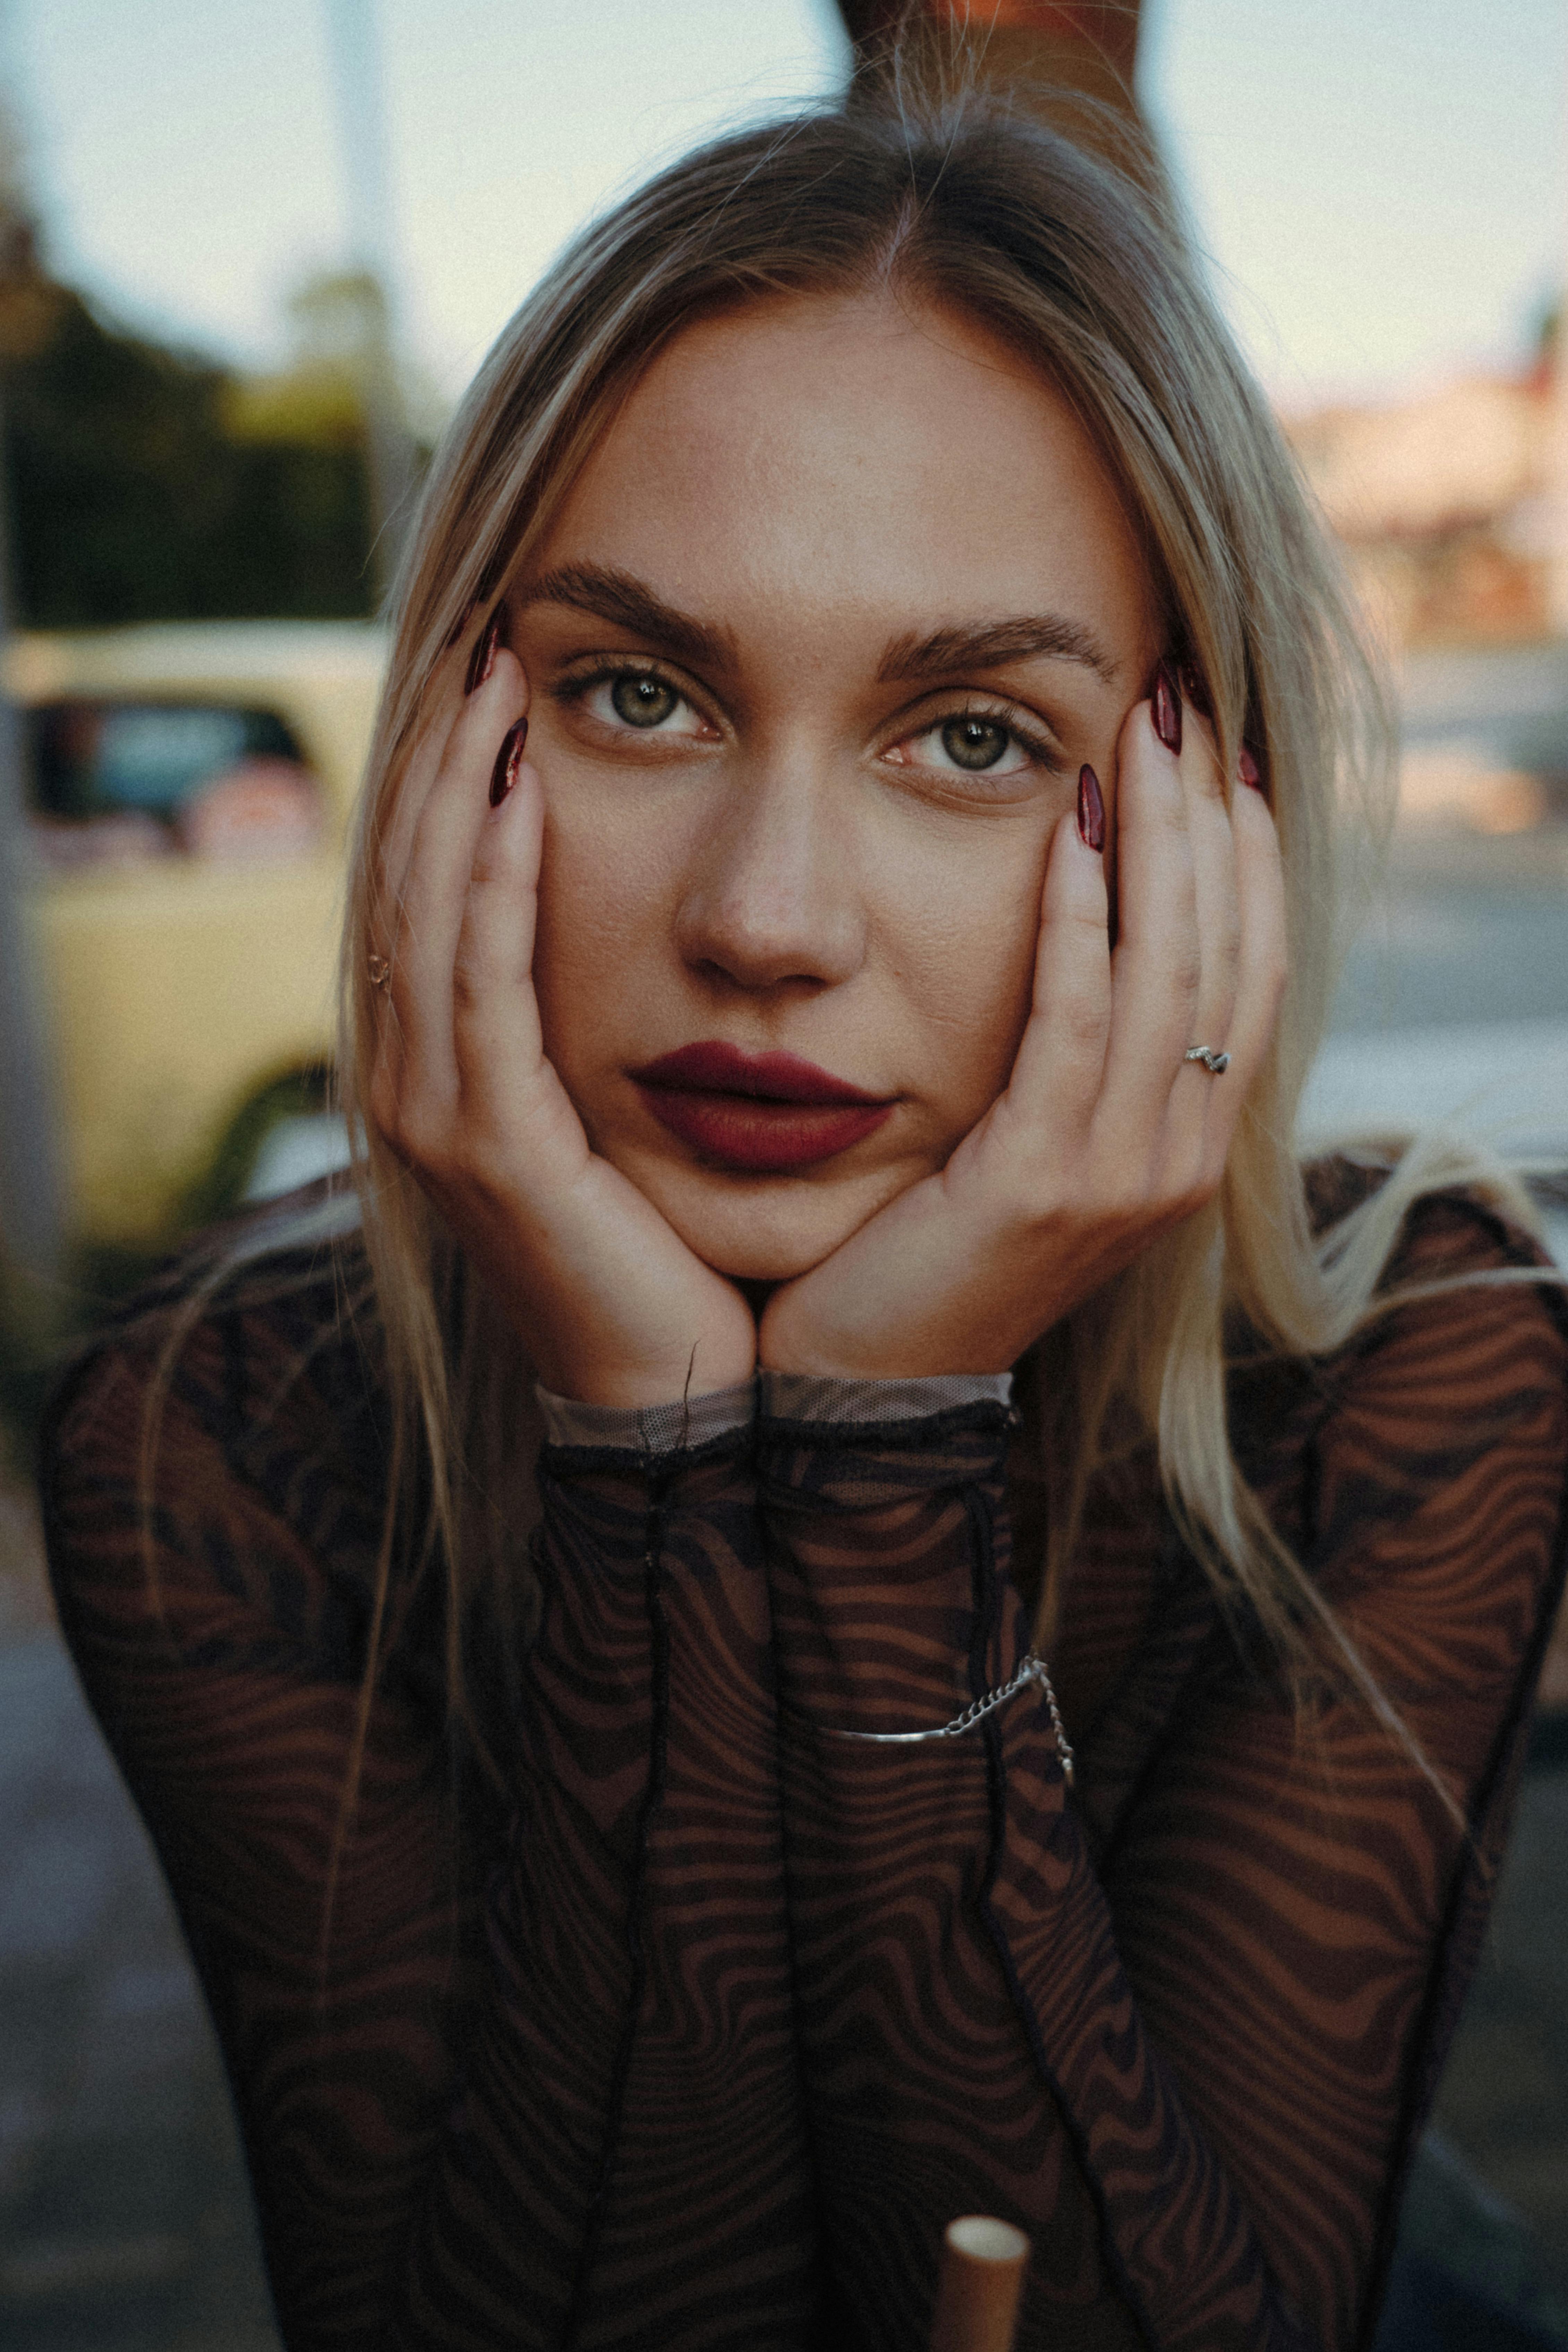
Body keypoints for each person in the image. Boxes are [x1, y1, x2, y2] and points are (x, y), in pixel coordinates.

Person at [41, 67, 1568, 2352]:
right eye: (636, 693)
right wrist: (650, 1449)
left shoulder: (1404, 1369)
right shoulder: (226, 1433)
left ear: (1205, 831)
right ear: (457, 747)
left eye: (971, 738)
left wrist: (876, 1441)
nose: (767, 921)